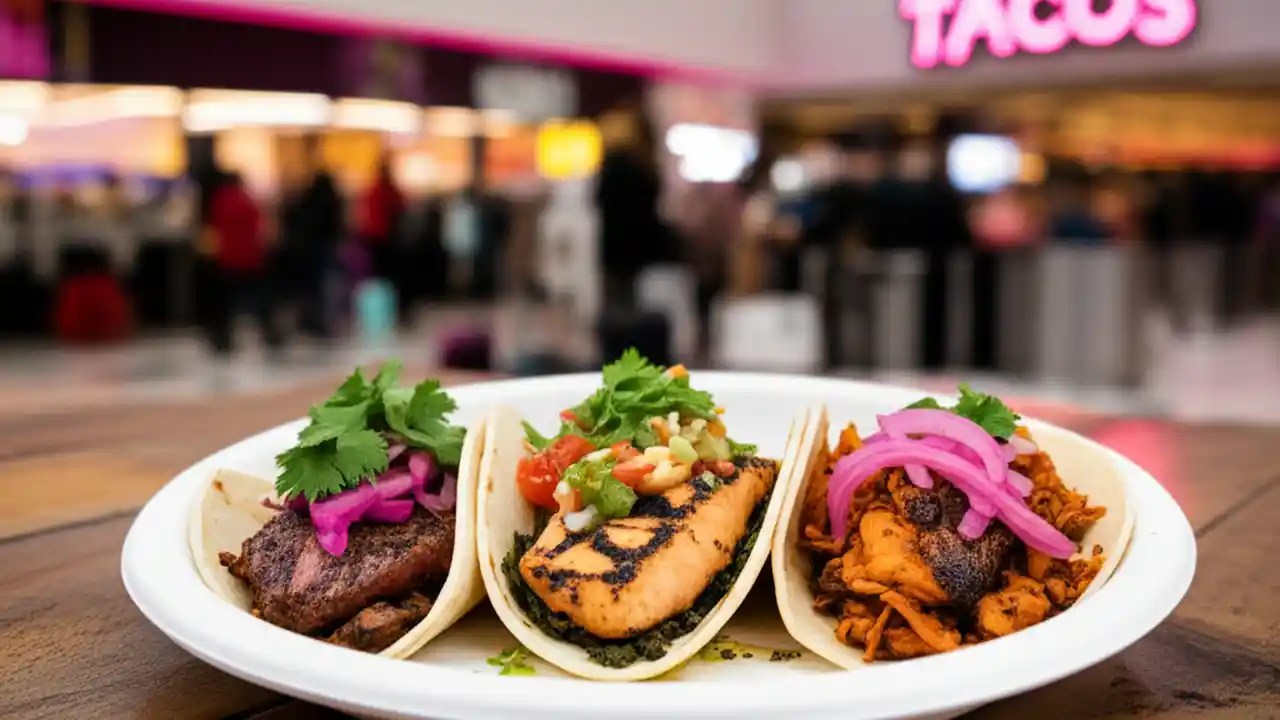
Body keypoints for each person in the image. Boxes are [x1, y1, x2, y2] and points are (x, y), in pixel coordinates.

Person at [199, 172, 281, 355]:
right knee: (260, 301)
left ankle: (223, 339)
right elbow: (260, 228)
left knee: (225, 304)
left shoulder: (219, 202)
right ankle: (270, 333)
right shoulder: (247, 201)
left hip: (227, 258)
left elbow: (212, 230)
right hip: (251, 257)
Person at [279, 139, 343, 338]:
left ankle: (313, 321)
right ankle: (319, 322)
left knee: (312, 287)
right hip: (321, 247)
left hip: (310, 248)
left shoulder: (308, 199)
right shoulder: (328, 200)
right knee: (322, 286)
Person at [356, 157, 405, 285]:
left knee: (376, 271)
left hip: (374, 236)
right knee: (386, 271)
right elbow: (401, 208)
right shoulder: (388, 190)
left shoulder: (373, 190)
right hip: (386, 236)